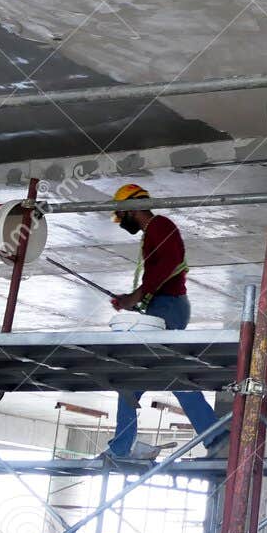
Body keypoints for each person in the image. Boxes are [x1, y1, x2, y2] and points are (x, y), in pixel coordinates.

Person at [101, 185, 221, 462]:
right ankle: (122, 447)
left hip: (169, 307)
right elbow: (158, 273)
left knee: (168, 377)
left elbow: (169, 263)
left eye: (121, 216)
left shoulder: (160, 225)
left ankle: (217, 436)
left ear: (132, 208)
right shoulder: (153, 231)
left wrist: (136, 296)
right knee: (133, 381)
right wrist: (133, 298)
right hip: (162, 306)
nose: (121, 222)